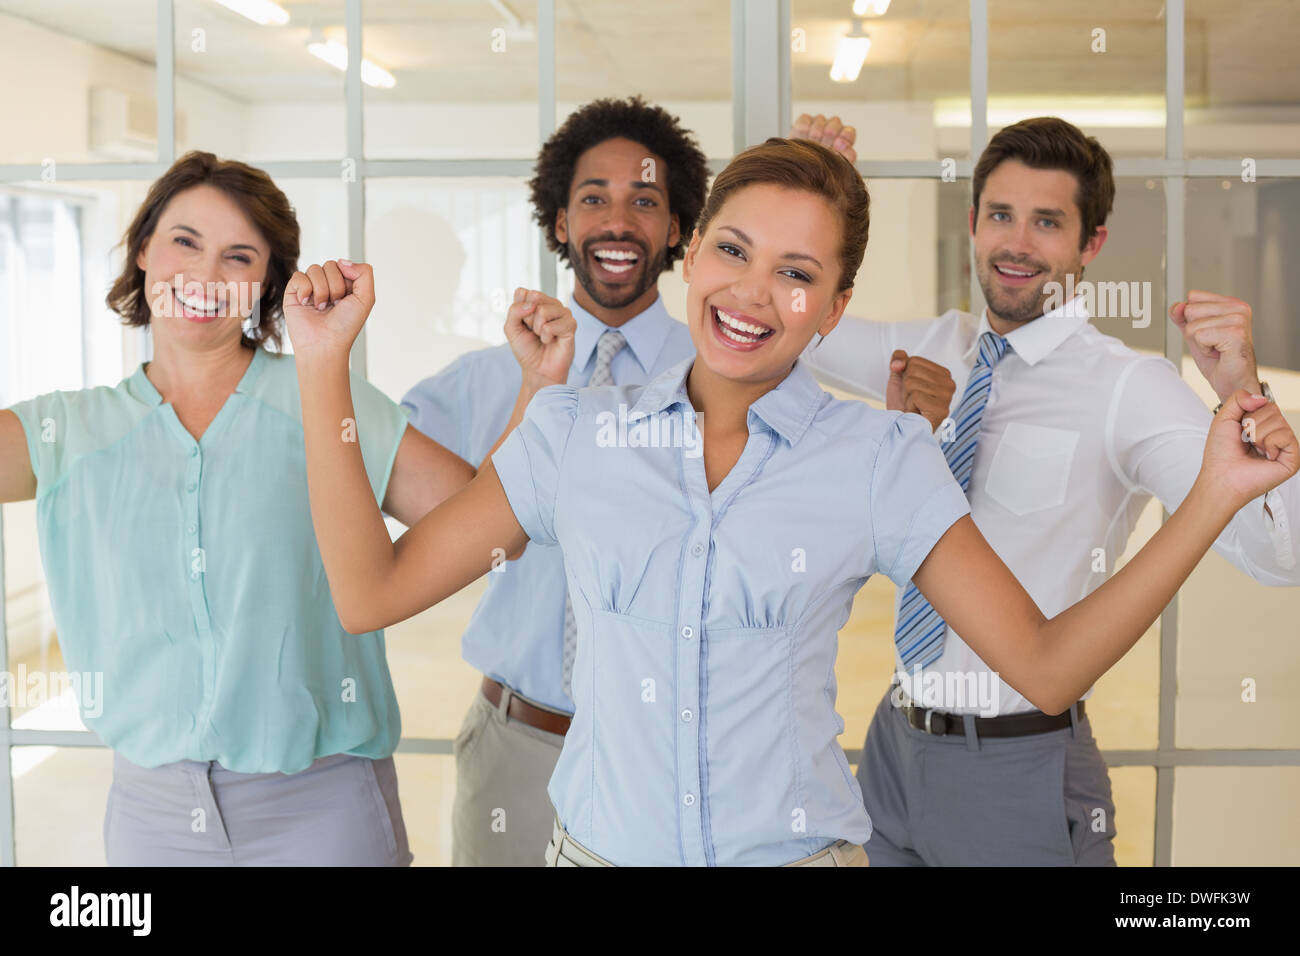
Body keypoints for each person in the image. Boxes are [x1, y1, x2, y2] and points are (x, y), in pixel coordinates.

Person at [285, 137, 1297, 867]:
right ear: (696, 252)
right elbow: (371, 592)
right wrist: (323, 366)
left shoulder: (878, 455)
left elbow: (1043, 667)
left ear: (836, 304)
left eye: (796, 272)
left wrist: (1209, 495)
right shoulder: (571, 432)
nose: (752, 294)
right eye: (733, 250)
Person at [795, 113, 1300, 865]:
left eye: (1048, 222)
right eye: (1001, 215)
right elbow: (784, 323)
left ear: (1090, 243)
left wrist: (1244, 395)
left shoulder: (1128, 388)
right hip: (893, 751)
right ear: (972, 224)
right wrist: (810, 191)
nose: (1017, 243)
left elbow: (1279, 557)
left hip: (1018, 768)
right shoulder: (934, 348)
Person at [0, 151, 480, 865]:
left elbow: (483, 520)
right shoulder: (65, 432)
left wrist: (379, 586)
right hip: (149, 816)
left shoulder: (326, 397)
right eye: (184, 241)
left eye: (239, 257)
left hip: (320, 808)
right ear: (144, 250)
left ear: (268, 285)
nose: (203, 276)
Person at [398, 95, 706, 865]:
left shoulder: (718, 378)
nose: (617, 219)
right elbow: (381, 495)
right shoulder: (480, 380)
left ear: (675, 229)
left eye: (645, 200)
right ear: (560, 224)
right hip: (518, 749)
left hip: (668, 752)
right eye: (593, 198)